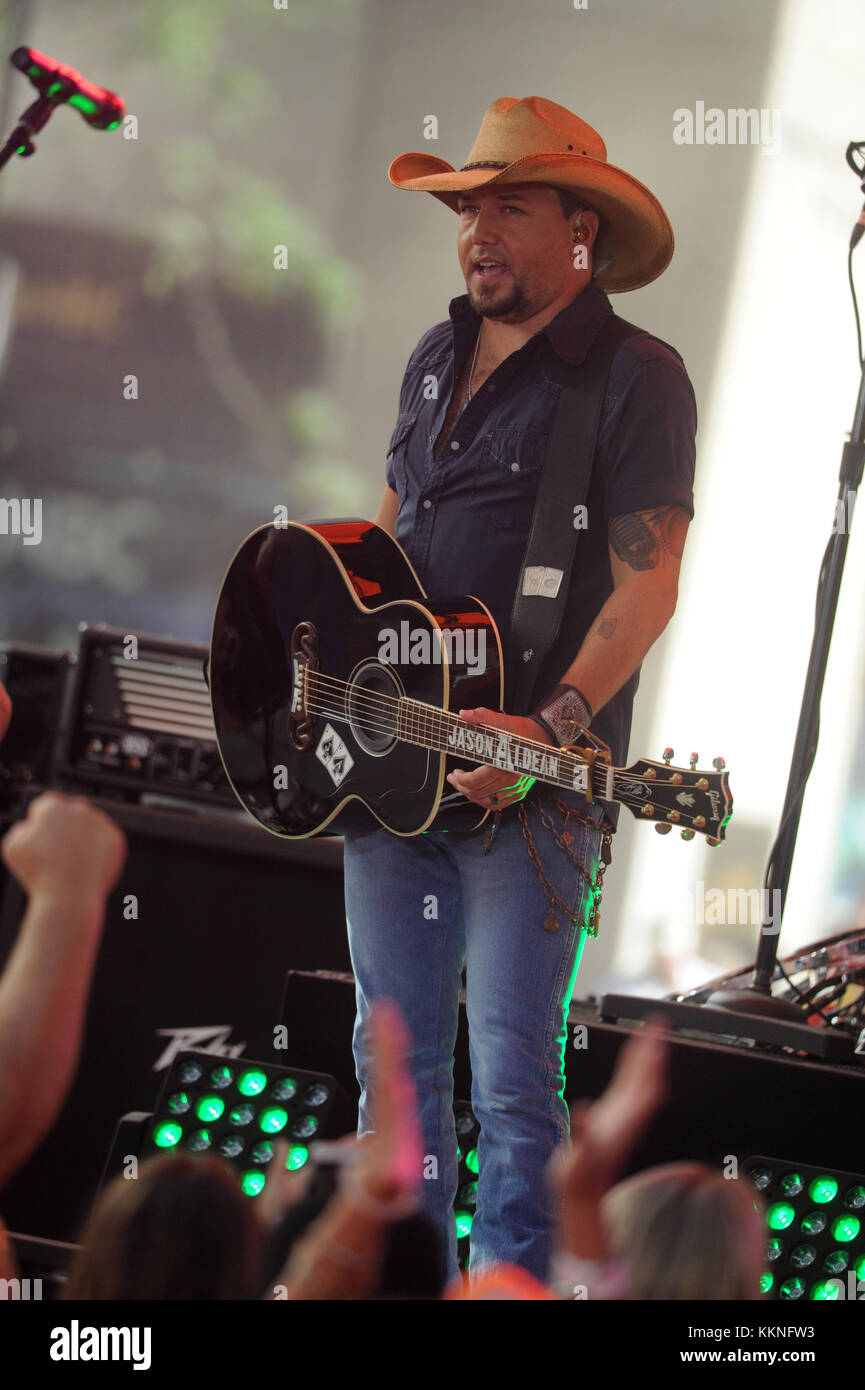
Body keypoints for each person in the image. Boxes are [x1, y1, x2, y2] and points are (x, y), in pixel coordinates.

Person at [343, 95, 697, 1282]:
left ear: (579, 231)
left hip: (535, 795)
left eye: (510, 206)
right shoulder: (434, 355)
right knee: (390, 1069)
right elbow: (386, 545)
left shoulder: (638, 378)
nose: (476, 230)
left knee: (508, 1076)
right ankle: (404, 1285)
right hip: (400, 772)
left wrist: (545, 728)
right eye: (467, 208)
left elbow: (648, 587)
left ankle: (512, 1299)